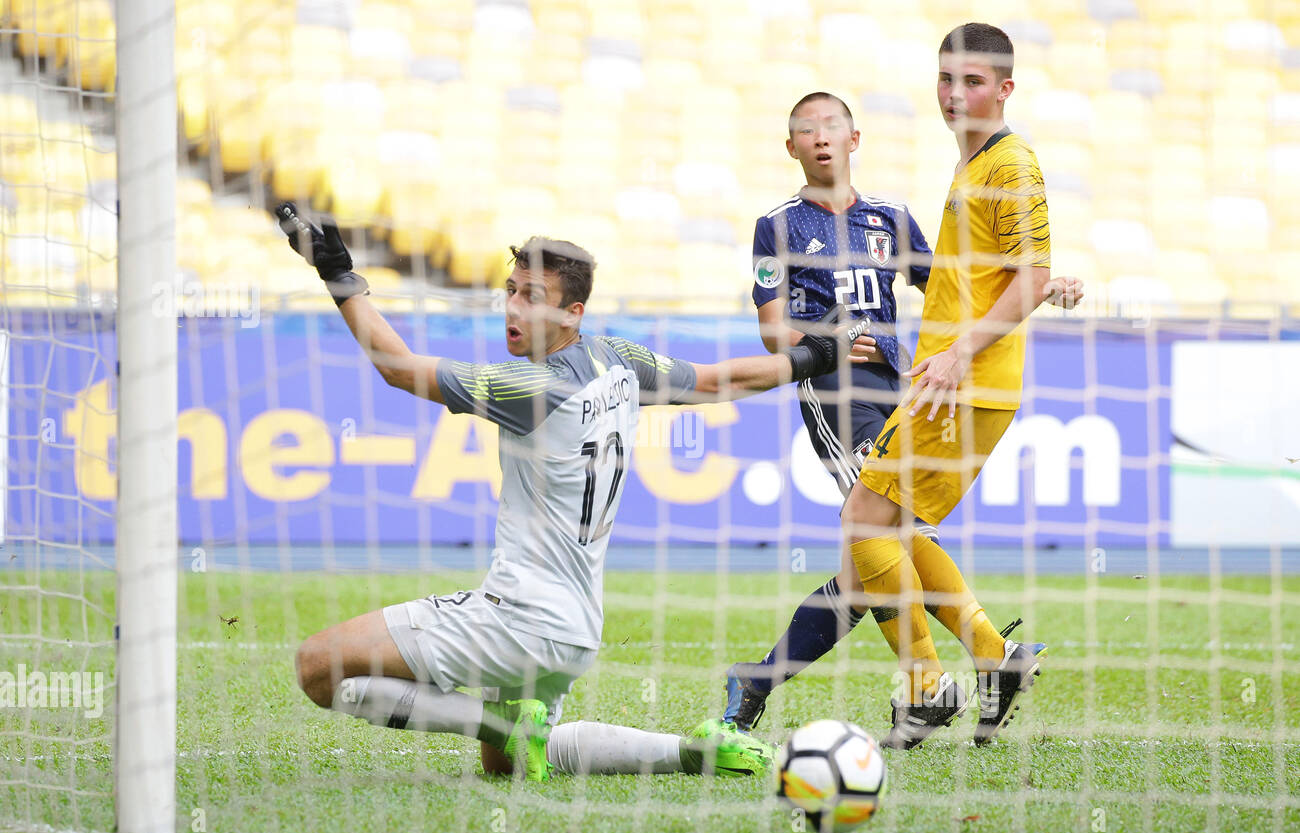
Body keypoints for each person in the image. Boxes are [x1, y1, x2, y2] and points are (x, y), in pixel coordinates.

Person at [277, 202, 868, 779]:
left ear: (572, 313)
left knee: (318, 667)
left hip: (514, 620)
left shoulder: (531, 386)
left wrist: (339, 275)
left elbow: (399, 367)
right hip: (574, 631)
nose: (513, 307)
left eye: (533, 297)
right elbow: (717, 381)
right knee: (505, 767)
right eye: (511, 290)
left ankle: (498, 722)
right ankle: (689, 752)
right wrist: (810, 356)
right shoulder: (617, 360)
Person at [722, 88, 1083, 735]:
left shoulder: (889, 218)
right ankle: (971, 665)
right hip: (835, 392)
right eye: (807, 129)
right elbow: (773, 332)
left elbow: (954, 286)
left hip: (903, 390)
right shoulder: (775, 226)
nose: (821, 137)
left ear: (855, 139)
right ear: (791, 147)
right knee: (890, 529)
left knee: (867, 567)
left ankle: (758, 682)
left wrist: (1039, 283)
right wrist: (823, 342)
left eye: (833, 125)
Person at [840, 22, 1083, 749]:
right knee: (890, 526)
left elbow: (1029, 276)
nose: (953, 94)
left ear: (1004, 89)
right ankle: (993, 658)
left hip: (964, 384)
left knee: (864, 521)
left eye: (971, 81)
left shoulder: (1011, 162)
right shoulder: (974, 162)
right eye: (945, 79)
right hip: (956, 383)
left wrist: (955, 355)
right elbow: (1015, 273)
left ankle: (926, 690)